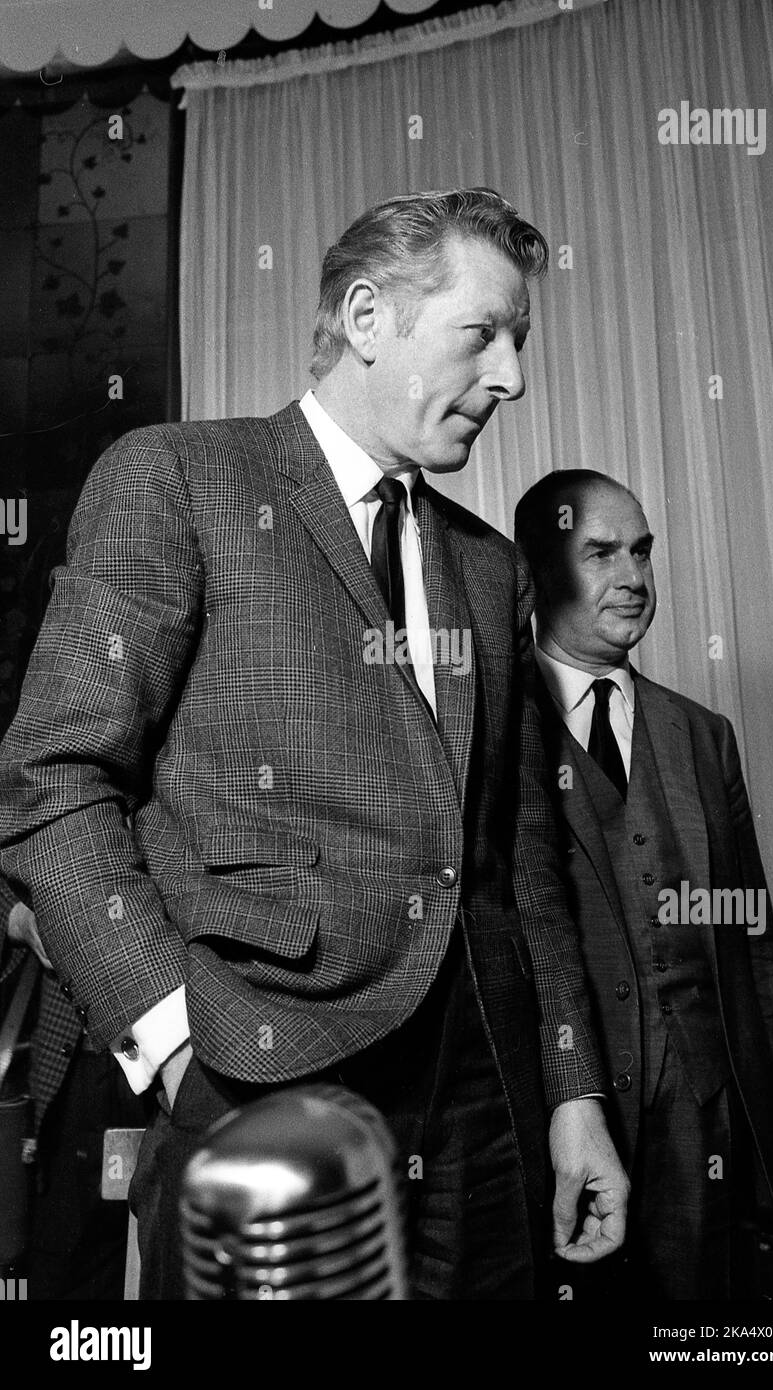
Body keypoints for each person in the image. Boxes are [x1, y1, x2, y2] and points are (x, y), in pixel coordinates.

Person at [0, 190, 628, 1300]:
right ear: (368, 315)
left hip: (487, 1113)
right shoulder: (178, 479)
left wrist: (573, 1092)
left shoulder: (491, 568)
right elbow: (53, 784)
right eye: (484, 332)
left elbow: (528, 861)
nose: (513, 378)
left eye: (520, 341)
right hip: (253, 1088)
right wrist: (180, 1043)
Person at [515, 468, 773, 1299]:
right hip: (570, 1122)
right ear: (539, 572)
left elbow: (753, 946)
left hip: (713, 1118)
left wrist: (768, 1116)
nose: (634, 578)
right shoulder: (494, 730)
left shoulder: (704, 737)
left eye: (641, 551)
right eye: (600, 553)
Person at [0, 882, 147, 1297]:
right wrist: (22, 920)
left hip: (180, 1057)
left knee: (156, 1252)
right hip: (75, 1062)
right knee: (60, 1252)